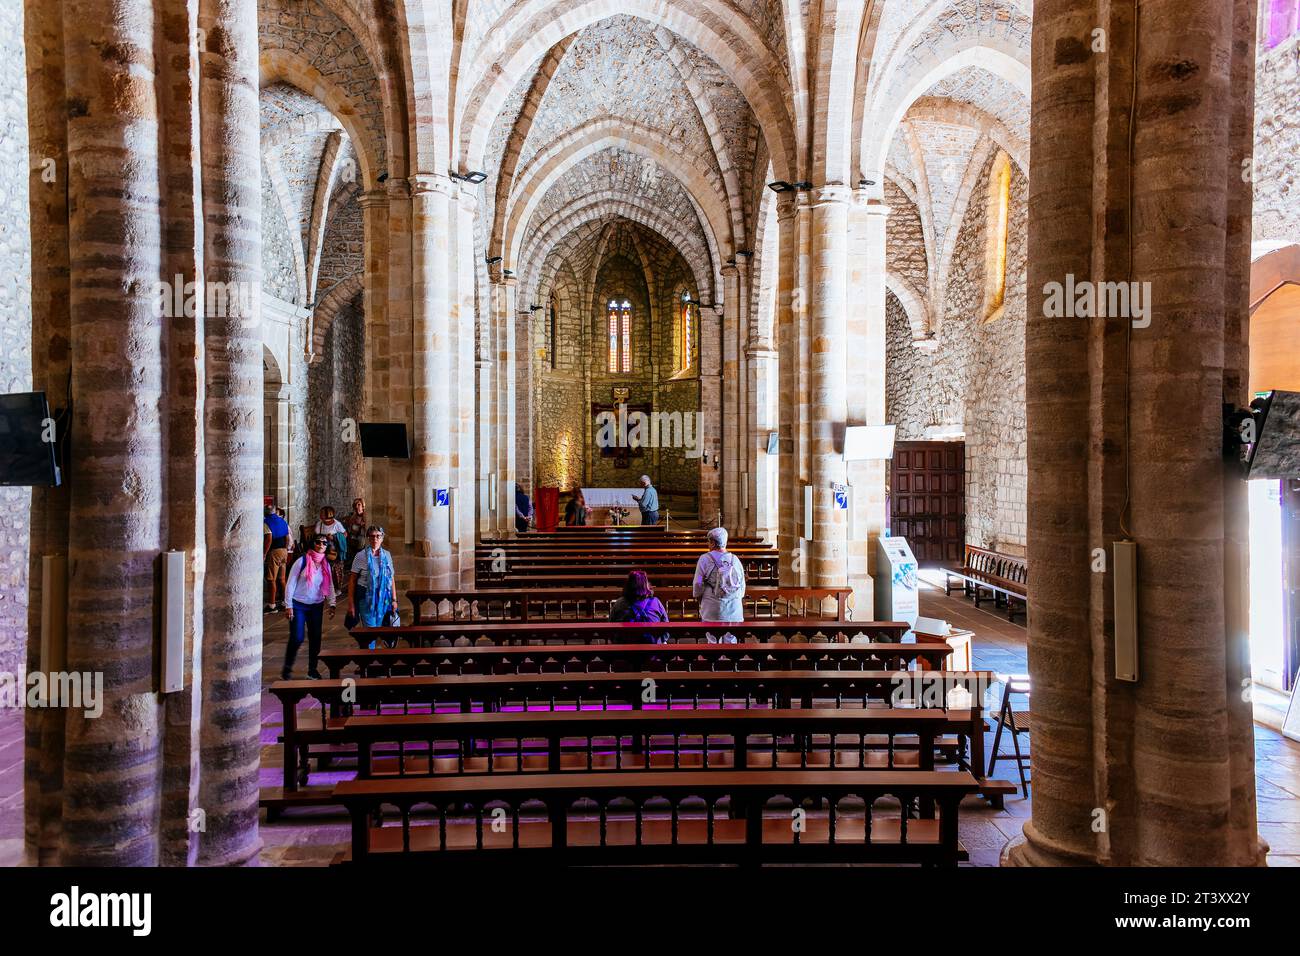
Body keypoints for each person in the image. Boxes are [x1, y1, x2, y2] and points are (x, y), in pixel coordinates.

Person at [282, 533, 336, 680]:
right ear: (313, 543)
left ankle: (312, 670)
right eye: (318, 542)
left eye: (324, 543)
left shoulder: (325, 564)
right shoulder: (302, 561)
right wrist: (288, 605)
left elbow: (330, 585)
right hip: (298, 604)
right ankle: (287, 667)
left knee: (315, 638)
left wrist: (332, 603)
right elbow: (290, 583)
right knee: (297, 637)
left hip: (316, 605)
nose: (321, 545)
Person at [347, 525, 400, 646]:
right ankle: (369, 654)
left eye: (378, 536)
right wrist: (351, 604)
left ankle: (370, 653)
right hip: (366, 598)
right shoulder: (360, 556)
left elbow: (391, 578)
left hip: (383, 599)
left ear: (382, 538)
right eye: (371, 536)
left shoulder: (387, 555)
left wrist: (394, 600)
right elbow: (352, 580)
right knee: (371, 630)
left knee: (378, 628)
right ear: (368, 538)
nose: (375, 539)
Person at [693, 527, 746, 640]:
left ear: (712, 543)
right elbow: (742, 584)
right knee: (731, 642)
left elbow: (698, 582)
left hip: (713, 608)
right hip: (733, 609)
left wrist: (698, 596)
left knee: (713, 641)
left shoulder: (704, 559)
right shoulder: (735, 559)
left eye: (709, 541)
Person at [608, 570, 669, 643]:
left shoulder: (619, 603)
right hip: (652, 647)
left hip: (625, 647)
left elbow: (610, 627)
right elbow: (666, 626)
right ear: (646, 584)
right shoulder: (656, 602)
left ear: (628, 584)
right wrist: (661, 641)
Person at [263, 504, 292, 613]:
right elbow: (287, 537)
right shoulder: (282, 521)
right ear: (275, 511)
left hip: (274, 551)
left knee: (271, 579)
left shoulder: (266, 522)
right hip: (284, 551)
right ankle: (285, 603)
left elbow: (269, 539)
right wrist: (285, 549)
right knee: (282, 579)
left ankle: (272, 605)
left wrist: (264, 553)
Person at [315, 506, 348, 589]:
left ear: (328, 514)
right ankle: (325, 587)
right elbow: (317, 534)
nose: (320, 514)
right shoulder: (320, 523)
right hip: (323, 549)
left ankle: (337, 588)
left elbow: (345, 534)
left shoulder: (336, 524)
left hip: (335, 551)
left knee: (335, 569)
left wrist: (334, 537)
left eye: (322, 513)